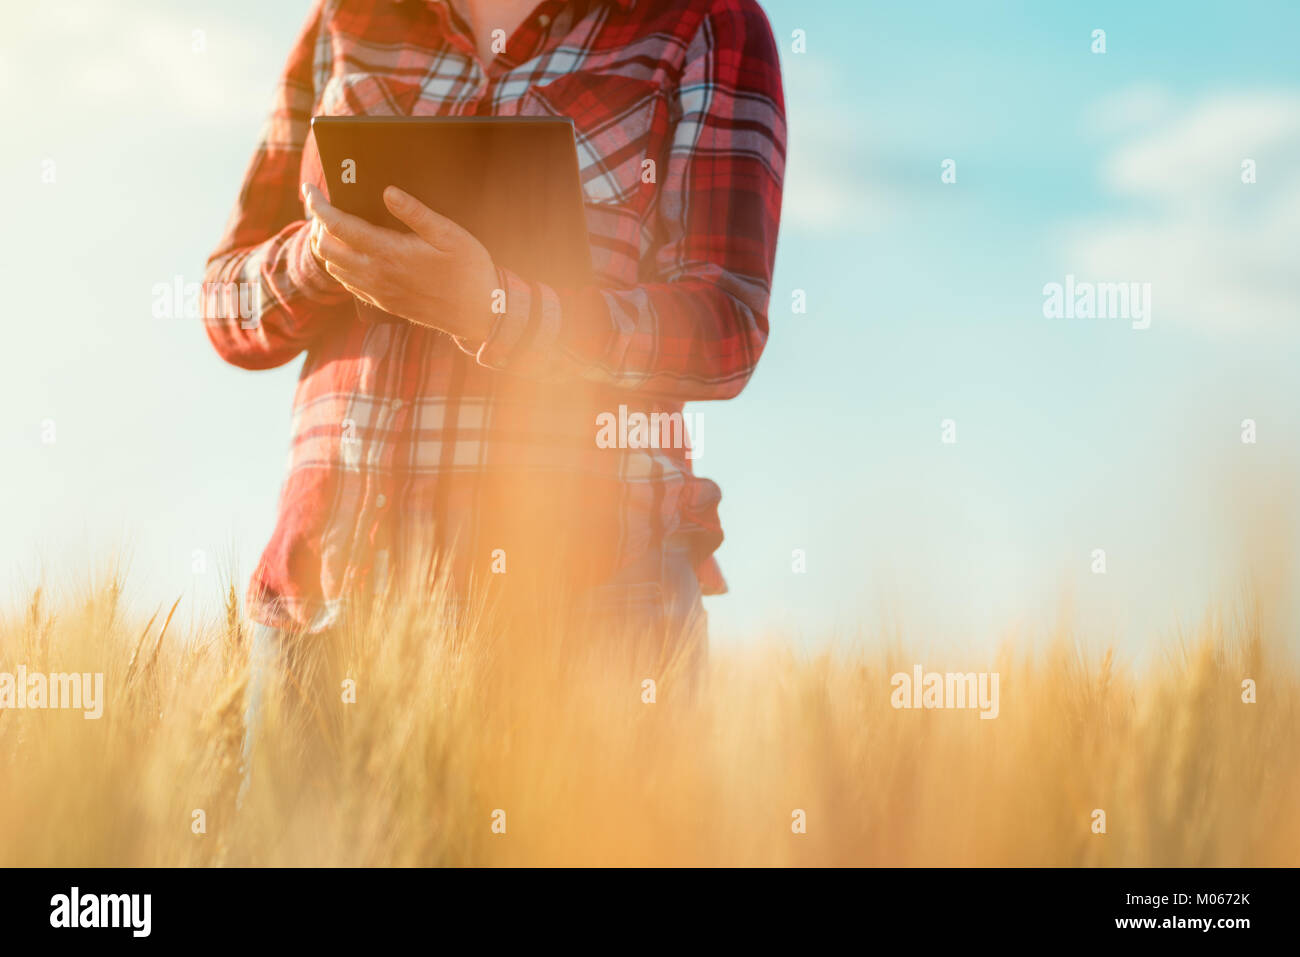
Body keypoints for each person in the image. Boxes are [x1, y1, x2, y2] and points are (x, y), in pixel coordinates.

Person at [204, 0, 785, 772]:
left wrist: (498, 310)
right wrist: (323, 256)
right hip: (329, 612)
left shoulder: (704, 24)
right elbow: (223, 304)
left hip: (593, 614)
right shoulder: (349, 21)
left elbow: (724, 327)